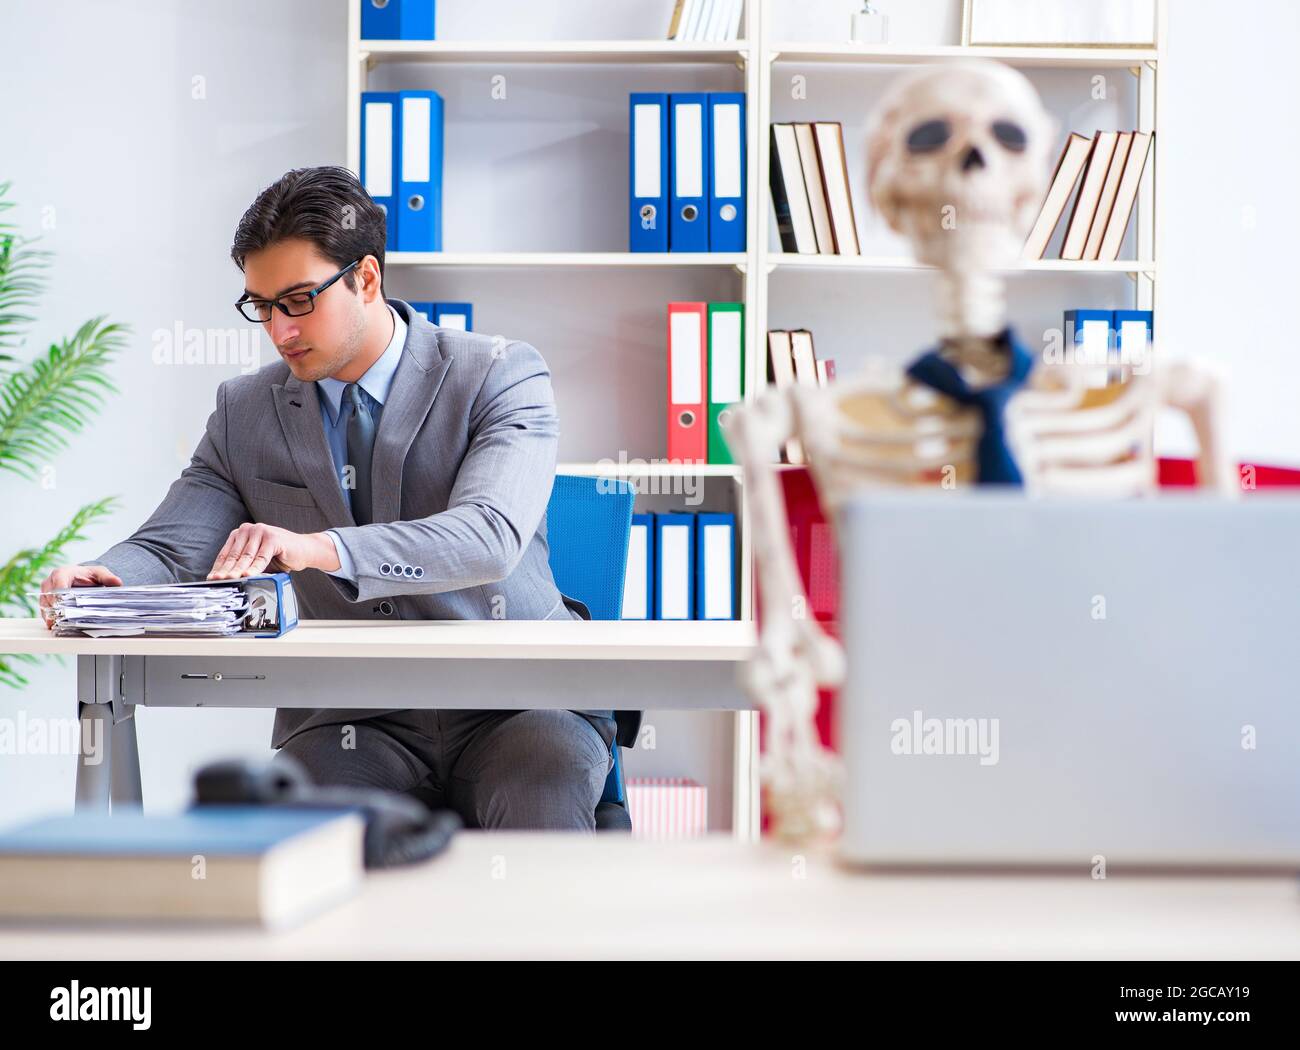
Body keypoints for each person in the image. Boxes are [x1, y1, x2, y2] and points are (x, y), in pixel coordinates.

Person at [38, 165, 617, 831]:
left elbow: (487, 536)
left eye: (299, 300)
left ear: (366, 278)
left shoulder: (498, 374)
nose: (280, 331)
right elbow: (172, 546)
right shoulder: (245, 410)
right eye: (262, 306)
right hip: (355, 717)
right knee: (301, 842)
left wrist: (319, 549)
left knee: (537, 807)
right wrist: (105, 581)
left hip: (518, 699)